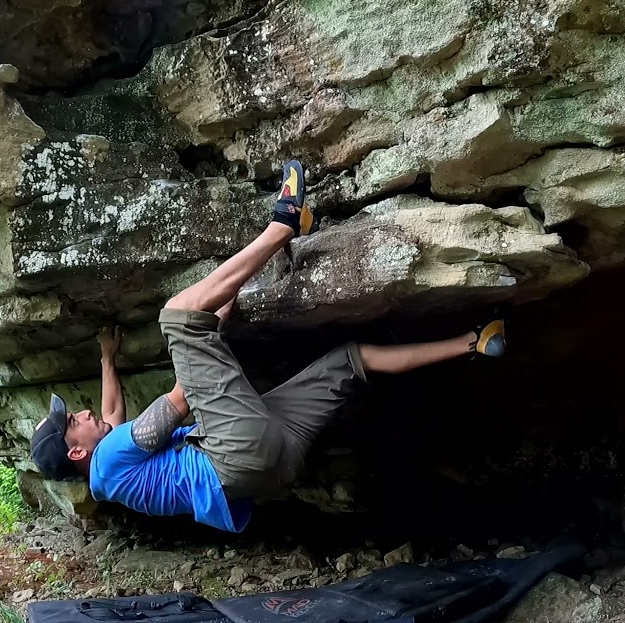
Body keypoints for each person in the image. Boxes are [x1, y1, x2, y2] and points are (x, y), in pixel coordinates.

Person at [29, 161, 507, 532]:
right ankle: (285, 224)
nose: (83, 413)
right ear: (76, 453)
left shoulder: (108, 475)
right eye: (72, 422)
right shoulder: (110, 456)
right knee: (176, 315)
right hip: (235, 453)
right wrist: (211, 321)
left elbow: (112, 413)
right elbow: (185, 394)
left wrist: (107, 358)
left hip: (273, 466)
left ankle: (476, 341)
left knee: (350, 358)